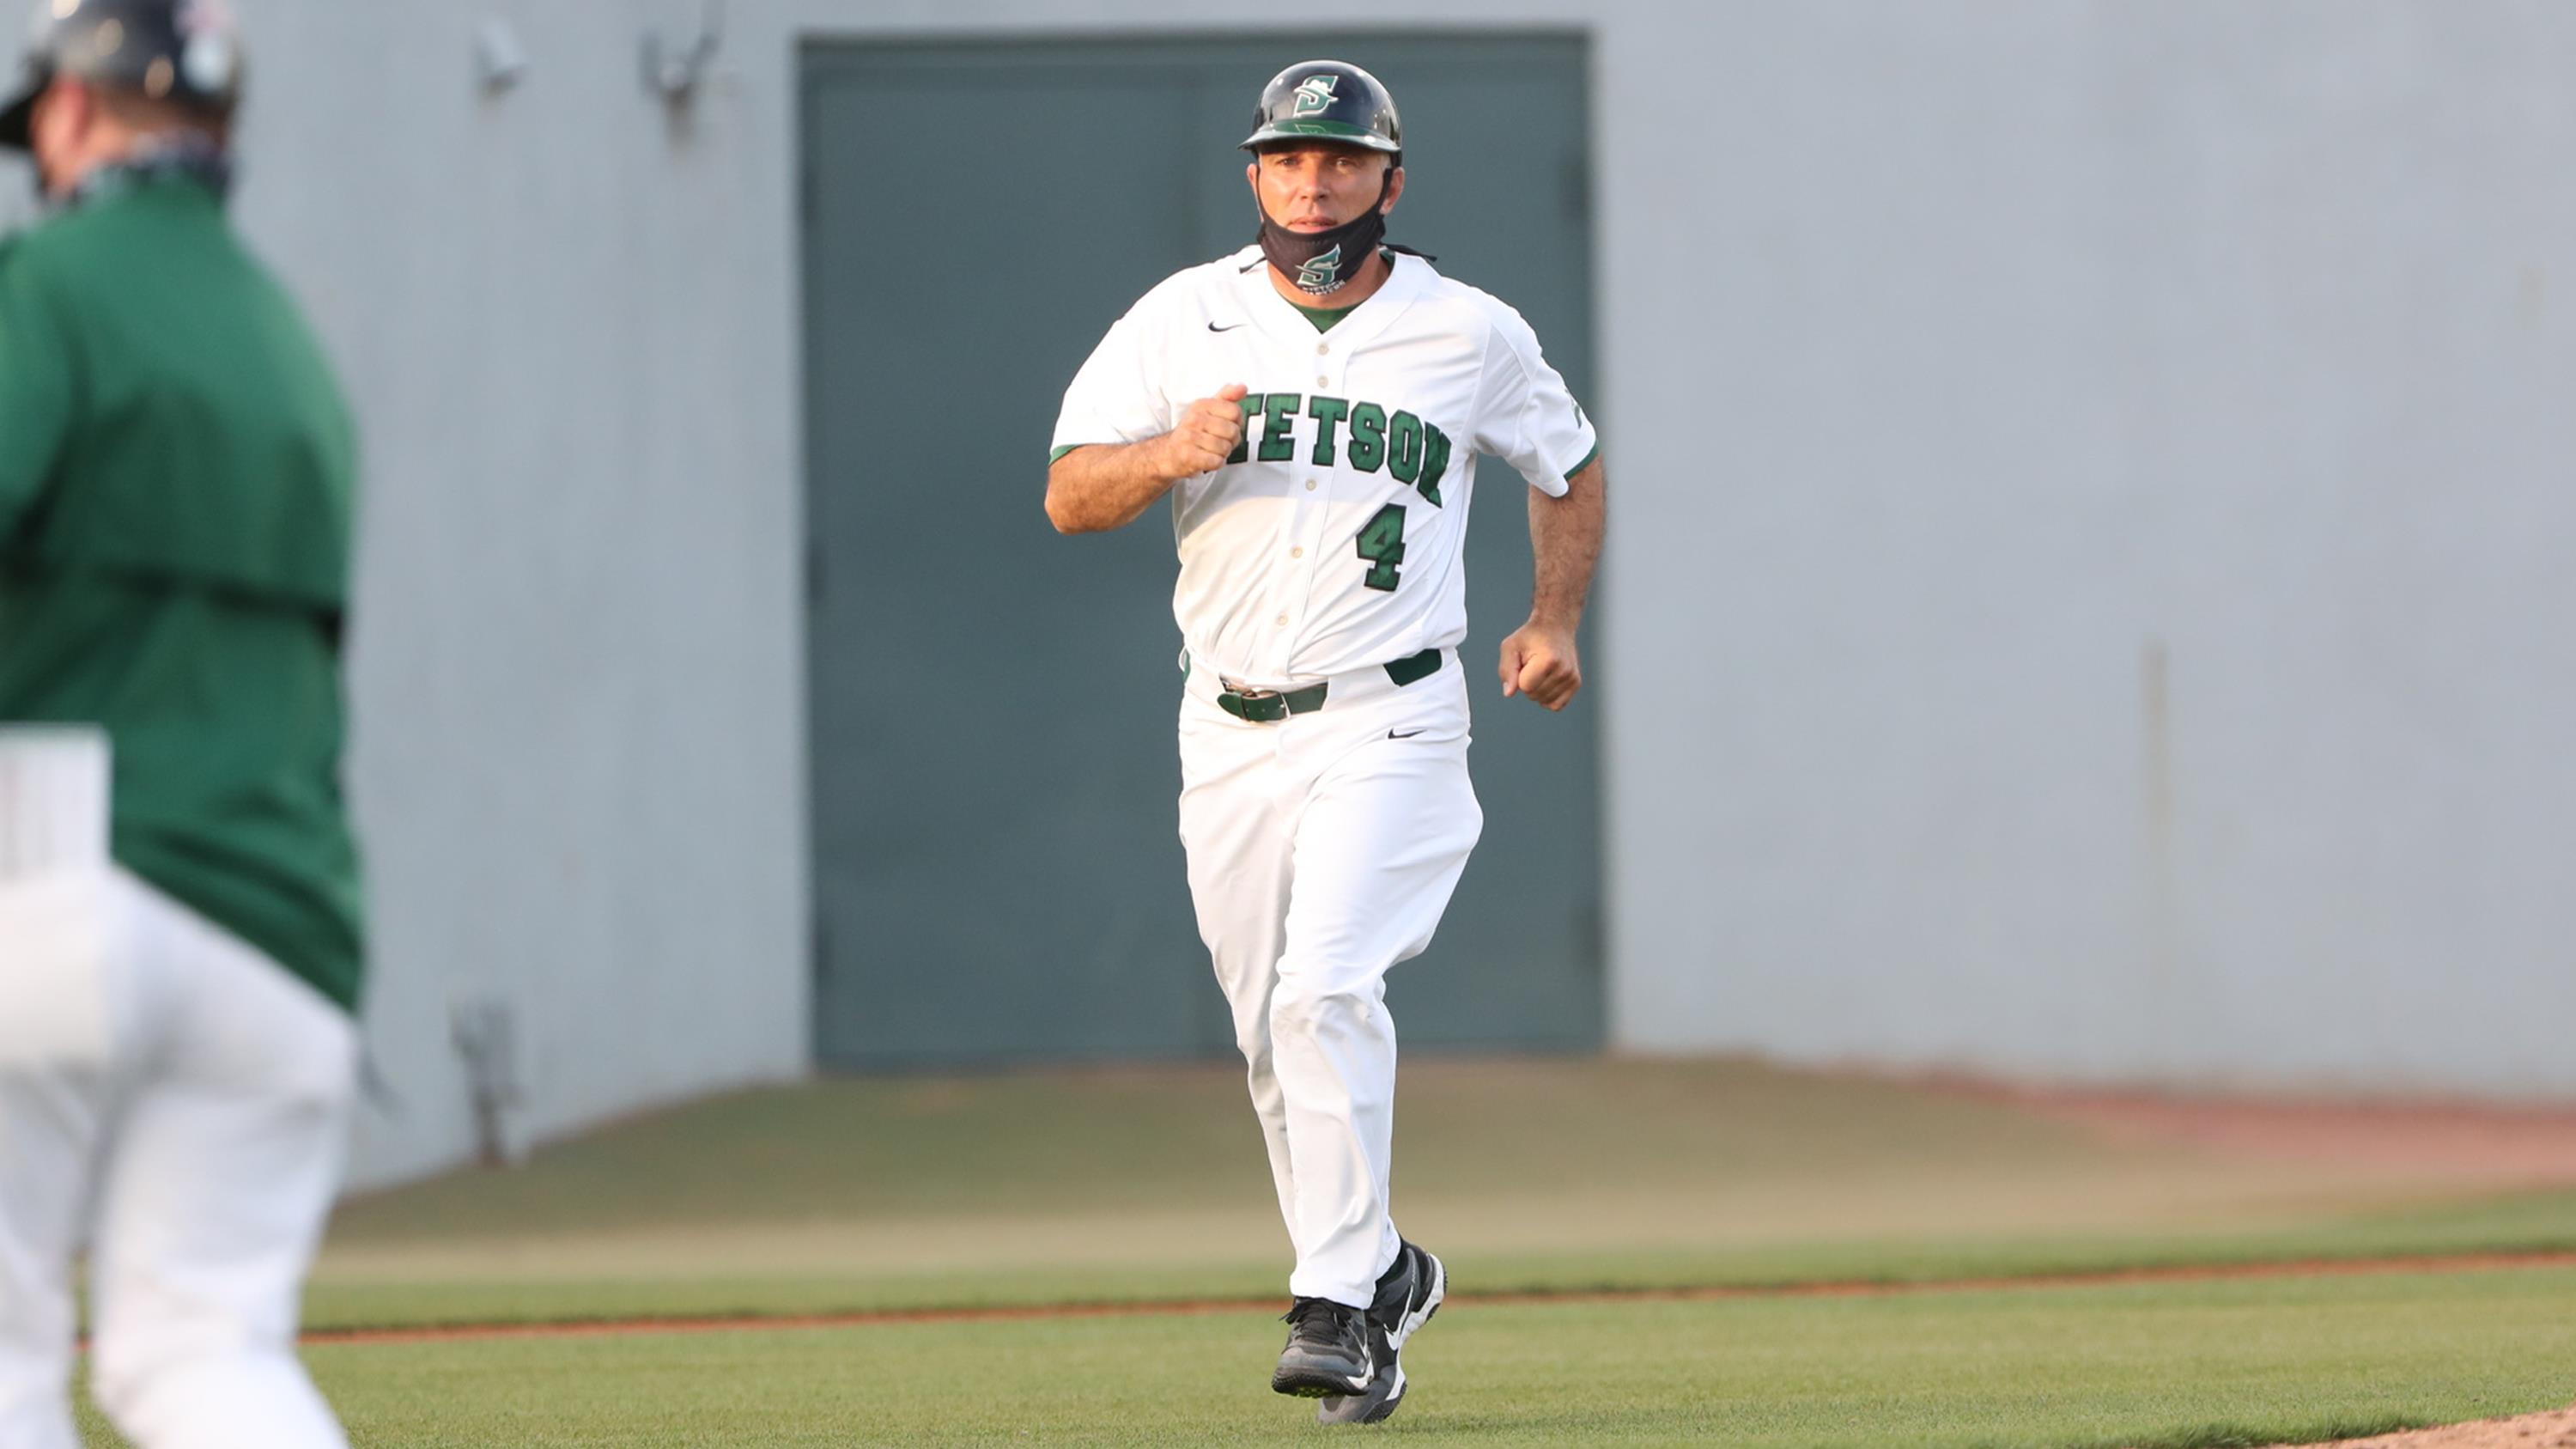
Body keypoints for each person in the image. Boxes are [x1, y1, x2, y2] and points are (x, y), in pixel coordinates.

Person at [1046, 58, 1606, 1425]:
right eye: (1289, 158)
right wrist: (1168, 455)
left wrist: (1552, 619)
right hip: (1228, 726)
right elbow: (1070, 496)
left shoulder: (1466, 330)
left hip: (1395, 714)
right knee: (1267, 1039)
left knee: (1325, 994)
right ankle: (1388, 1272)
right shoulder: (1184, 320)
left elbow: (1569, 462)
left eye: (1341, 159)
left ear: (1390, 181)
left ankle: (1336, 1307)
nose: (1314, 180)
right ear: (1256, 176)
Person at [0, 2, 366, 1446]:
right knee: (204, 1354)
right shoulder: (290, 349)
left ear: (78, 116)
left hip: (64, 873)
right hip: (283, 923)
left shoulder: (45, 288)